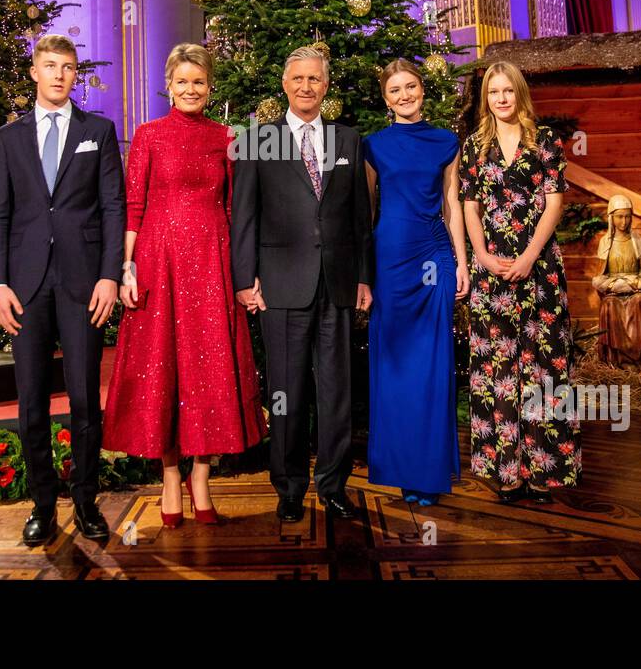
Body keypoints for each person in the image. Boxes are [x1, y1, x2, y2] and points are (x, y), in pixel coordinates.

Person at [102, 44, 266, 528]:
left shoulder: (226, 138)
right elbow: (133, 209)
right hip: (158, 262)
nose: (190, 89)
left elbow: (238, 214)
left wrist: (243, 272)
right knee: (165, 370)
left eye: (199, 81)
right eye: (182, 82)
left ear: (209, 88)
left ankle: (201, 476)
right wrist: (127, 269)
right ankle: (170, 477)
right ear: (168, 86)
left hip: (212, 267)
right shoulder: (148, 135)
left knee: (208, 372)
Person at [0, 34, 124, 546]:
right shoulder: (9, 138)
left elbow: (113, 208)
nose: (60, 75)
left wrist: (110, 275)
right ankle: (43, 504)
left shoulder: (100, 131)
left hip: (85, 283)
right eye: (50, 66)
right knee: (32, 403)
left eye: (68, 67)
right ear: (34, 73)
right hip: (24, 286)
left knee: (86, 397)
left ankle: (86, 501)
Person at [230, 44, 374, 524]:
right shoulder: (257, 140)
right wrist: (244, 280)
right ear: (284, 85)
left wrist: (362, 280)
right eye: (298, 79)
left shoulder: (347, 140)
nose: (306, 87)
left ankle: (333, 485)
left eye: (315, 79)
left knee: (336, 392)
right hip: (279, 286)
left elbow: (359, 219)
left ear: (325, 86)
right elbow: (243, 217)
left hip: (336, 285)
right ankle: (289, 487)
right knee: (286, 392)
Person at [460, 60, 580, 505]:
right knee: (499, 372)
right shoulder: (474, 146)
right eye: (494, 92)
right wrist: (484, 256)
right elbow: (469, 207)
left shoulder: (545, 140)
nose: (502, 99)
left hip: (539, 271)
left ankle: (544, 471)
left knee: (542, 368)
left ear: (520, 94)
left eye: (508, 91)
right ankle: (508, 473)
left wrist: (530, 255)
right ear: (485, 99)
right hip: (491, 273)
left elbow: (554, 203)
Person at [363, 59, 468, 506]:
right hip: (389, 262)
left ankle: (428, 474)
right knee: (394, 367)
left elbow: (453, 204)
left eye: (411, 87)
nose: (404, 95)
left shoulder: (447, 141)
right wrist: (363, 275)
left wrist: (462, 263)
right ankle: (401, 468)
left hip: (434, 257)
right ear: (385, 99)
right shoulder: (373, 146)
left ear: (423, 90)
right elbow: (366, 210)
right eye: (395, 90)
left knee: (431, 366)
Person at [591, 194, 641, 368]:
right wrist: (614, 285)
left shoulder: (637, 240)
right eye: (620, 217)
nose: (624, 221)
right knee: (610, 304)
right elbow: (599, 276)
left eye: (627, 216)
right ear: (611, 218)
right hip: (614, 291)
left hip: (636, 288)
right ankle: (617, 359)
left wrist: (637, 283)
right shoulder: (605, 242)